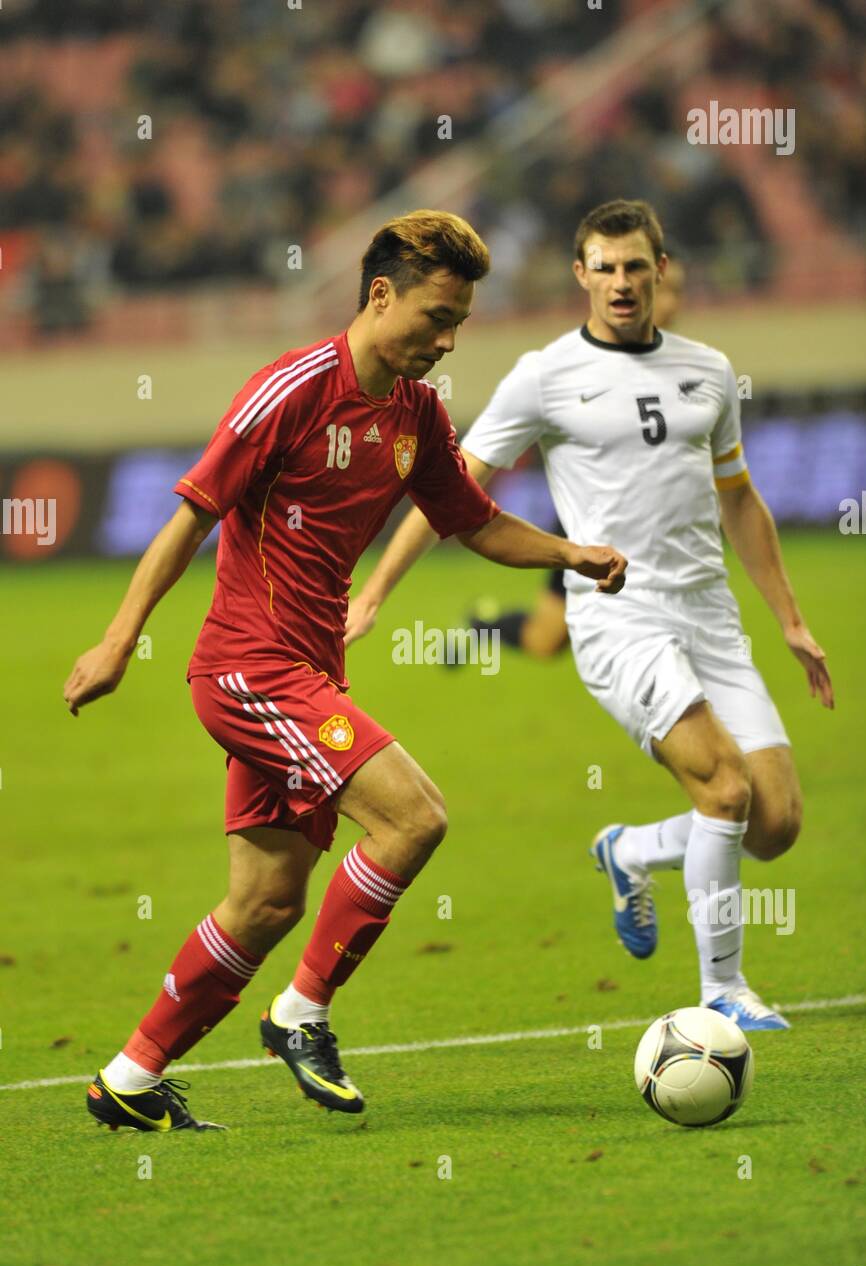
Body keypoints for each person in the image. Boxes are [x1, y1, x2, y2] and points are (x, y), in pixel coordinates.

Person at [63, 210, 627, 1131]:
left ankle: (128, 1078)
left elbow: (475, 522)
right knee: (415, 818)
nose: (445, 343)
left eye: (459, 326)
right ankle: (302, 1013)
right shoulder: (288, 391)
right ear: (379, 294)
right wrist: (120, 640)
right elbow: (190, 516)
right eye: (434, 318)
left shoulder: (416, 414)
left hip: (308, 676)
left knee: (267, 901)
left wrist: (573, 554)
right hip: (250, 670)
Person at [346, 200, 834, 1031]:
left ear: (660, 271)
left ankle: (631, 851)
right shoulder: (545, 376)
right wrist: (376, 591)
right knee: (723, 786)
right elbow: (451, 492)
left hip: (709, 615)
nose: (620, 282)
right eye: (604, 267)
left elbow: (740, 497)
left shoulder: (708, 372)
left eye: (635, 267)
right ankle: (724, 990)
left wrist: (788, 618)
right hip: (619, 618)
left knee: (775, 822)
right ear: (581, 275)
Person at [460, 258, 687, 661]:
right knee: (545, 642)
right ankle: (482, 628)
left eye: (678, 292)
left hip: (646, 524)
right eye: (665, 290)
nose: (673, 303)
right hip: (589, 518)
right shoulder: (599, 358)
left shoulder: (685, 368)